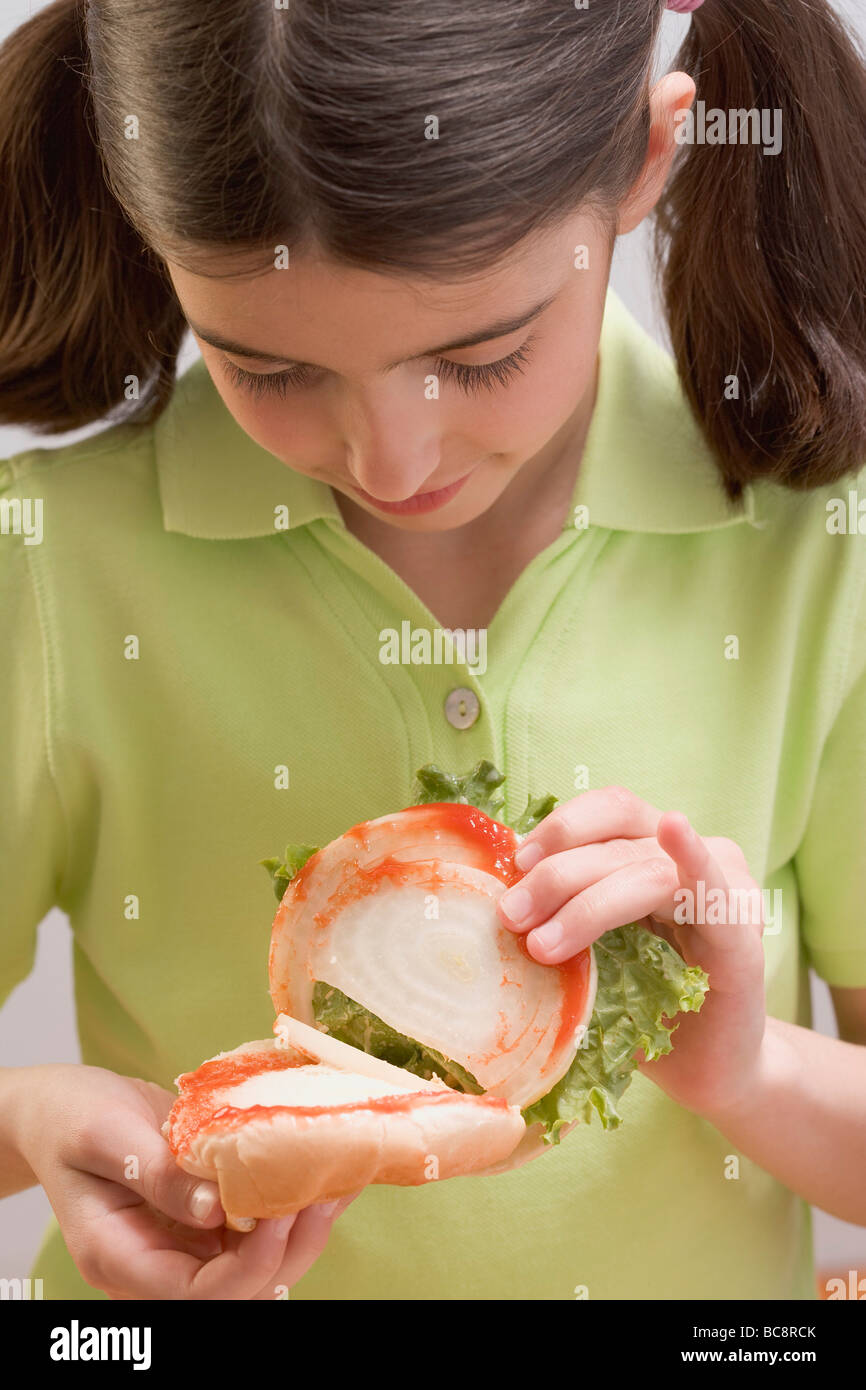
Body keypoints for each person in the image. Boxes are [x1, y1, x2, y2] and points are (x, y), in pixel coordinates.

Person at [1, 0, 865, 1302]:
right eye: (269, 370)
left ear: (645, 155)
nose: (390, 460)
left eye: (482, 354)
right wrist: (30, 1122)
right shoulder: (57, 562)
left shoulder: (813, 545)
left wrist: (751, 1070)